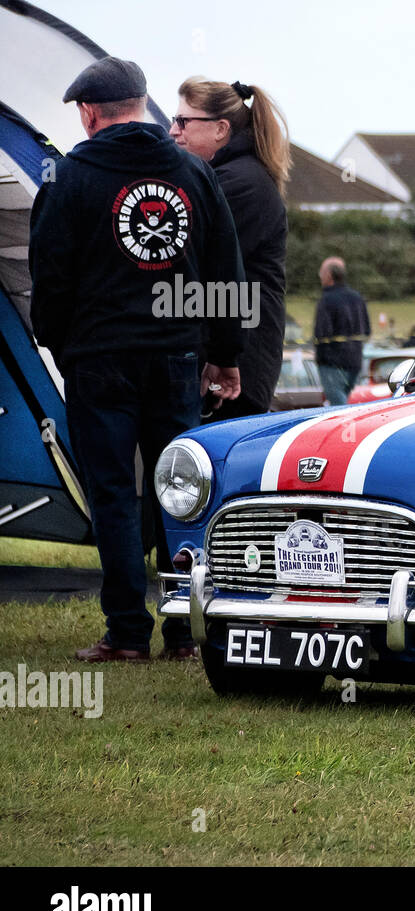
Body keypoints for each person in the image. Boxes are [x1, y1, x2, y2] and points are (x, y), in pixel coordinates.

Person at [29, 57, 244, 662]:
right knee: (182, 491)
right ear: (143, 104)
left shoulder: (71, 179)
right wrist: (224, 354)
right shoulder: (194, 173)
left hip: (99, 360)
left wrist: (62, 347)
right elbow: (225, 268)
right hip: (177, 357)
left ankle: (126, 633)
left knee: (114, 493)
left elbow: (50, 280)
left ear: (90, 112)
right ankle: (183, 632)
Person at [170, 78, 290, 419]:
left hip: (236, 368)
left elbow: (199, 268)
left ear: (221, 129)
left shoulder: (239, 184)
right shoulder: (229, 177)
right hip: (229, 360)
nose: (173, 131)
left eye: (183, 121)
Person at [313, 257, 370, 405]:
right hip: (355, 361)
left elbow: (321, 333)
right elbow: (367, 330)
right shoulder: (357, 298)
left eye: (322, 272)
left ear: (329, 275)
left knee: (339, 407)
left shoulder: (326, 300)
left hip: (331, 364)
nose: (320, 276)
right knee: (351, 402)